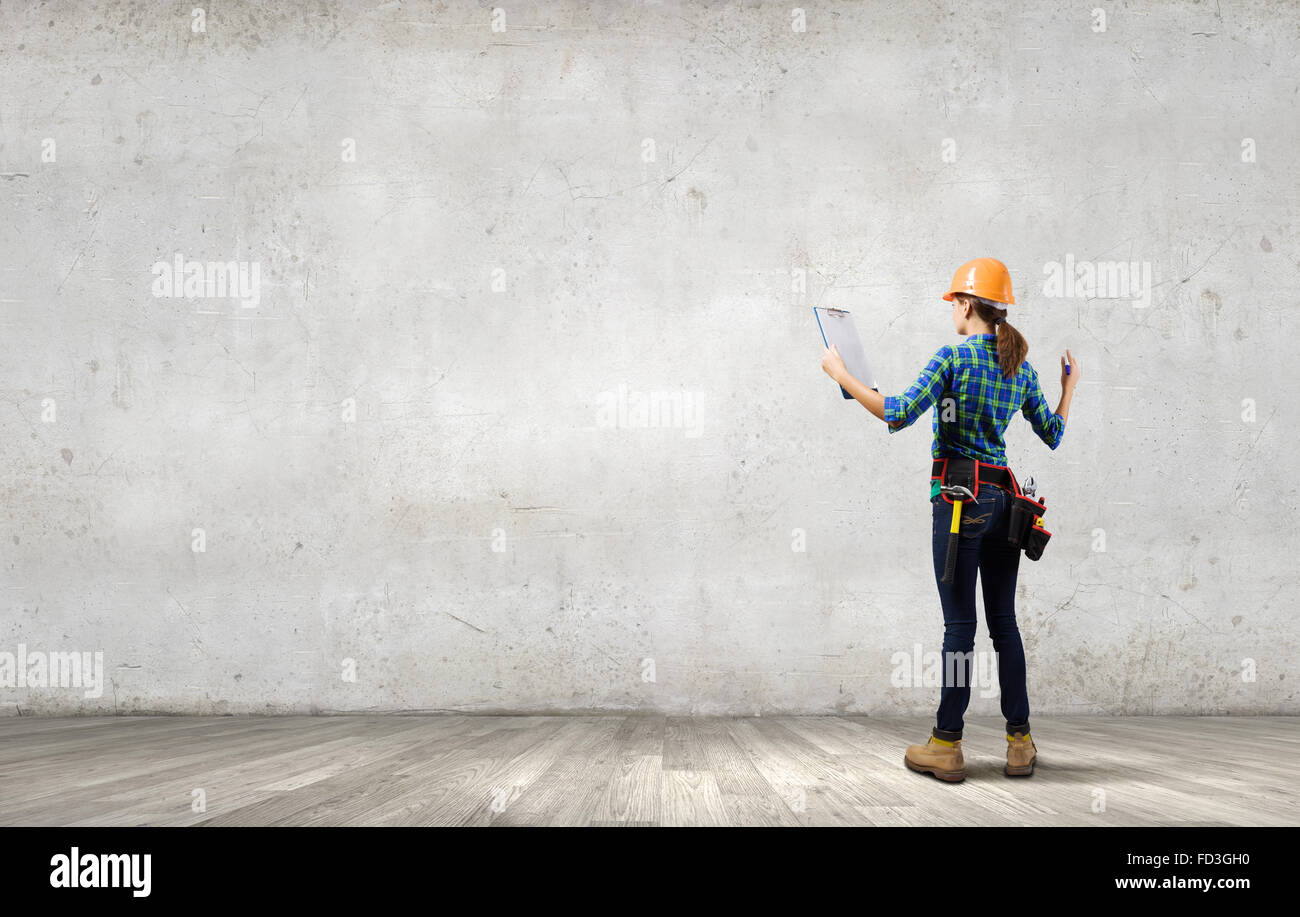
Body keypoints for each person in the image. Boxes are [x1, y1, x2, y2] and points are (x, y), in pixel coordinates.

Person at [820, 257, 1080, 782]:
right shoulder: (1021, 369)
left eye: (954, 303)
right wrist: (1068, 386)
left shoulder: (952, 359)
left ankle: (946, 744)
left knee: (960, 626)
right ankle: (1020, 742)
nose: (952, 312)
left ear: (965, 304)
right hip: (1008, 505)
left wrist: (840, 373)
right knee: (1004, 625)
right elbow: (1052, 433)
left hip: (961, 502)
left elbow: (896, 411)